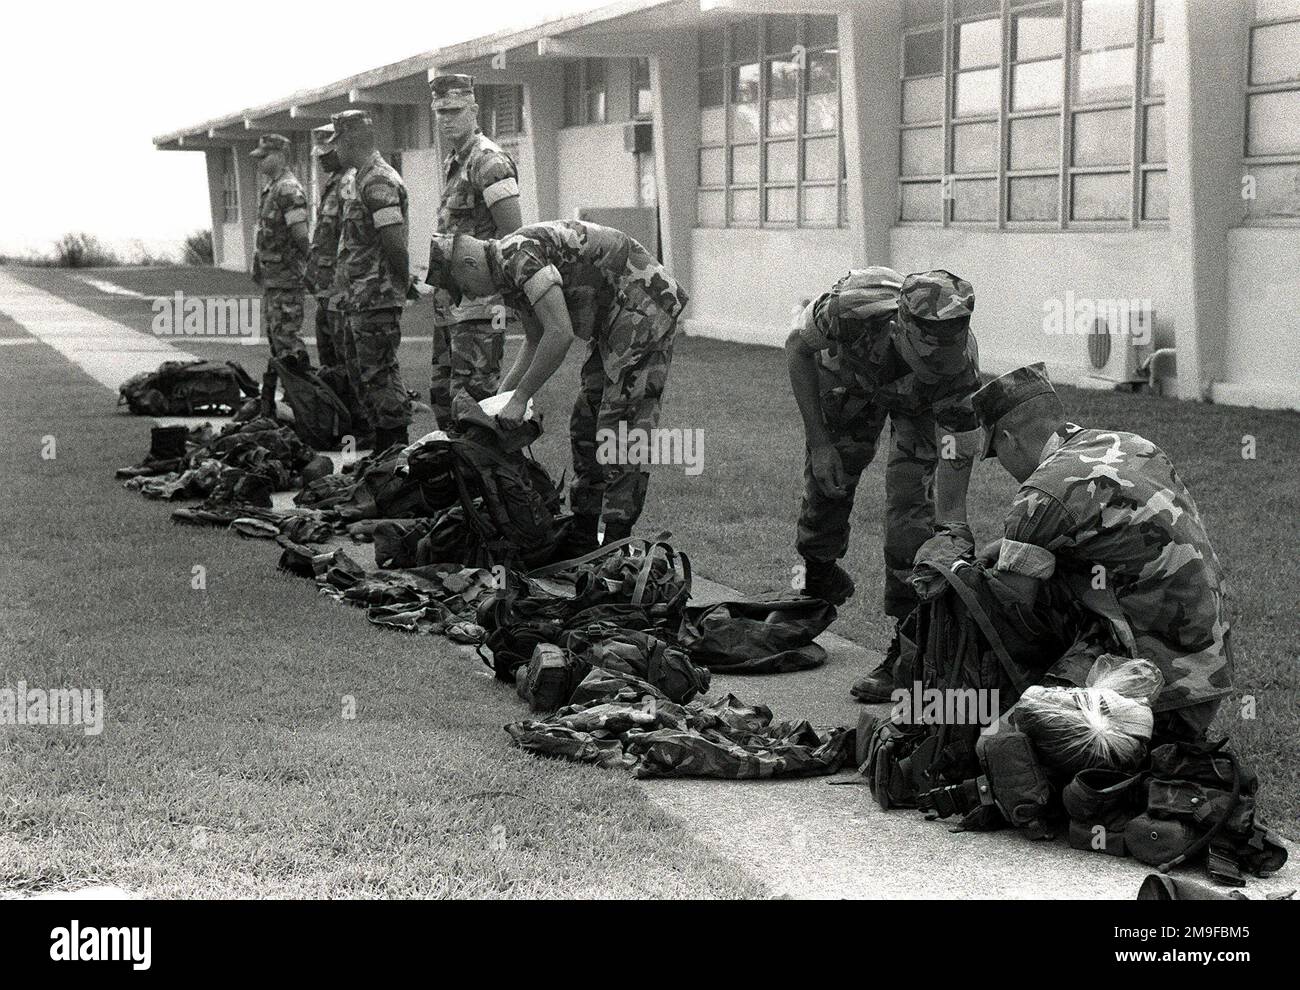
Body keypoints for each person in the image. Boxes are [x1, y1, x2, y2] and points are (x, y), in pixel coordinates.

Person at [972, 363, 1233, 739]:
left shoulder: (1040, 492)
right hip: (1209, 666)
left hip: (1156, 687)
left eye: (996, 452)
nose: (1004, 467)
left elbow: (1009, 612)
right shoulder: (1135, 445)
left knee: (1004, 742)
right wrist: (1010, 547)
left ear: (1009, 438)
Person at [426, 219, 688, 552]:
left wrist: (521, 398)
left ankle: (616, 542)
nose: (473, 296)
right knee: (585, 421)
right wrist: (503, 397)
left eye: (464, 286)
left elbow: (559, 333)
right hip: (614, 319)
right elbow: (535, 339)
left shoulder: (517, 256)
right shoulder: (506, 271)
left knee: (619, 425)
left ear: (468, 262)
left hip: (644, 305)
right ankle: (583, 533)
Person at [786, 268, 982, 702]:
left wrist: (950, 530)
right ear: (898, 327)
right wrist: (819, 444)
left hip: (919, 408)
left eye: (942, 360)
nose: (936, 365)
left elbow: (955, 461)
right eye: (926, 356)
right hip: (850, 379)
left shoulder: (959, 375)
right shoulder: (849, 311)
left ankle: (906, 649)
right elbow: (796, 350)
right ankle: (816, 585)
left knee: (911, 513)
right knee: (829, 484)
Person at [427, 73, 523, 428]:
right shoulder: (457, 161)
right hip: (452, 306)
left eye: (454, 110)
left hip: (481, 308)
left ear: (474, 109)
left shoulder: (489, 162)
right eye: (440, 112)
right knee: (443, 400)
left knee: (474, 407)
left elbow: (514, 235)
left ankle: (485, 481)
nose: (446, 118)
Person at [326, 109, 413, 452]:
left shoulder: (378, 181)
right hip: (360, 298)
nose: (334, 151)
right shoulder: (361, 179)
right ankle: (383, 449)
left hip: (376, 297)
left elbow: (394, 242)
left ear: (349, 140)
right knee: (364, 376)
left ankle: (396, 451)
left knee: (380, 376)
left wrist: (400, 285)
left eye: (337, 142)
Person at [250, 133, 311, 370]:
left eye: (264, 157)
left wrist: (311, 269)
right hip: (274, 279)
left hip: (287, 279)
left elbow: (300, 235)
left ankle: (305, 396)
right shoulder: (272, 189)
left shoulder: (288, 190)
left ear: (279, 156)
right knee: (277, 338)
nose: (259, 161)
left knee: (288, 341)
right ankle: (292, 394)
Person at [307, 131, 346, 374]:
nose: (320, 159)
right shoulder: (333, 183)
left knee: (343, 352)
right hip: (325, 286)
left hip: (339, 286)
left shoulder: (348, 184)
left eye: (326, 153)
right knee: (327, 351)